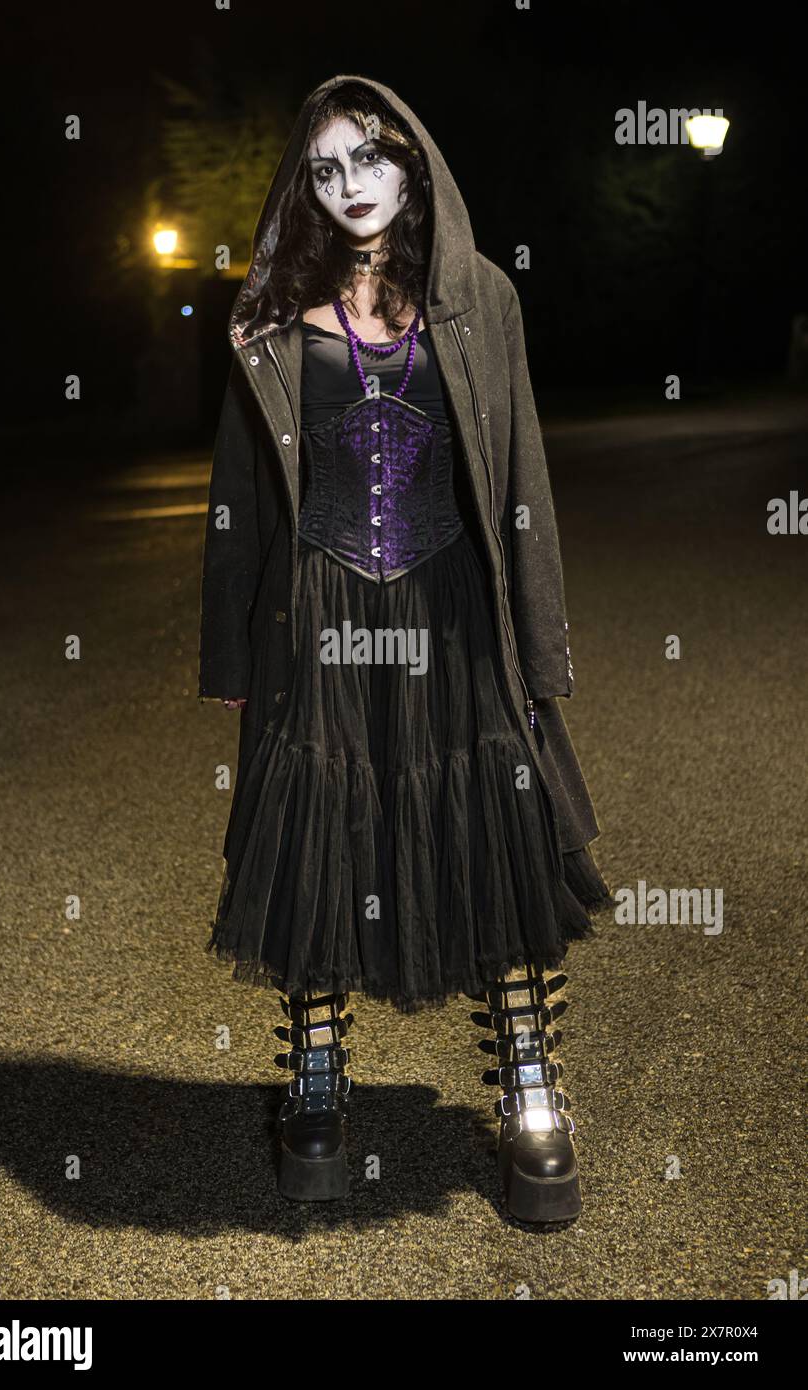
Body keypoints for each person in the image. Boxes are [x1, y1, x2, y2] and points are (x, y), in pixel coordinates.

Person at [198, 75, 614, 1222]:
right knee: (323, 831)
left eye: (368, 160)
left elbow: (524, 477)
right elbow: (239, 502)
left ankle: (532, 1093)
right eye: (325, 169)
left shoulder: (481, 298)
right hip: (322, 613)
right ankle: (319, 1083)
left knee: (498, 829)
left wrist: (540, 645)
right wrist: (233, 661)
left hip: (456, 608)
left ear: (413, 161)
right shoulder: (270, 313)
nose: (350, 188)